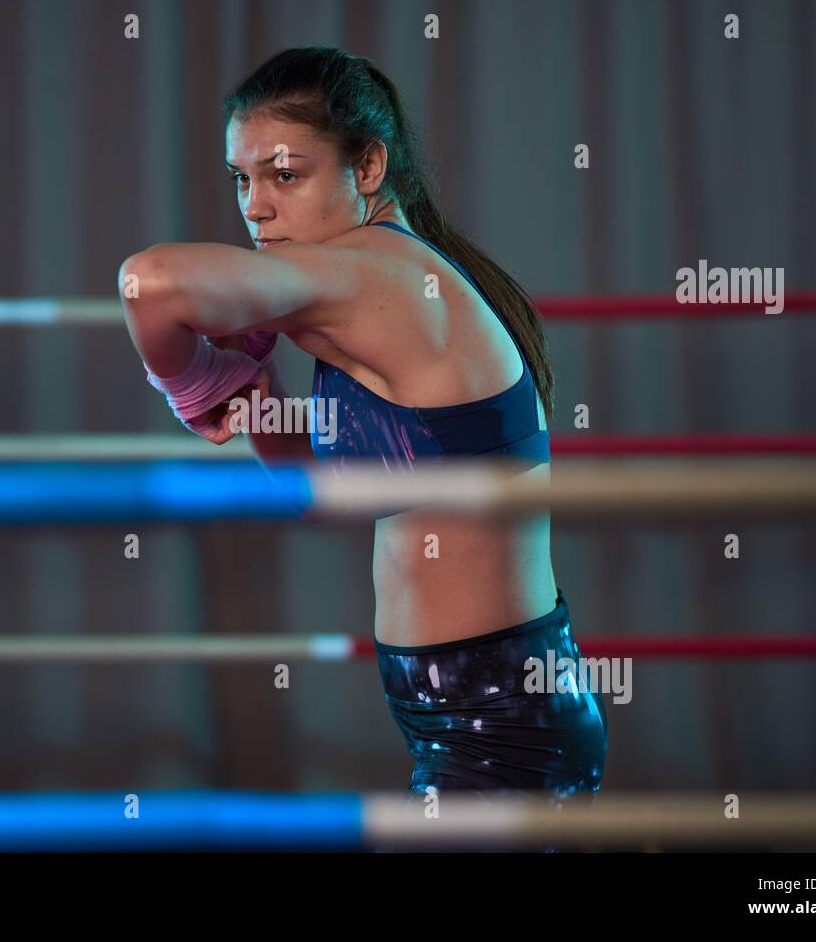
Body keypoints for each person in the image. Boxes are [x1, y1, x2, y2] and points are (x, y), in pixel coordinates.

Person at [119, 47, 605, 808]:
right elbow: (320, 490)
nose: (255, 206)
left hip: (498, 726)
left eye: (285, 175)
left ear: (368, 167)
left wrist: (196, 381)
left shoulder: (374, 273)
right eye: (241, 179)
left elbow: (149, 284)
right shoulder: (371, 286)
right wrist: (256, 388)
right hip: (475, 714)